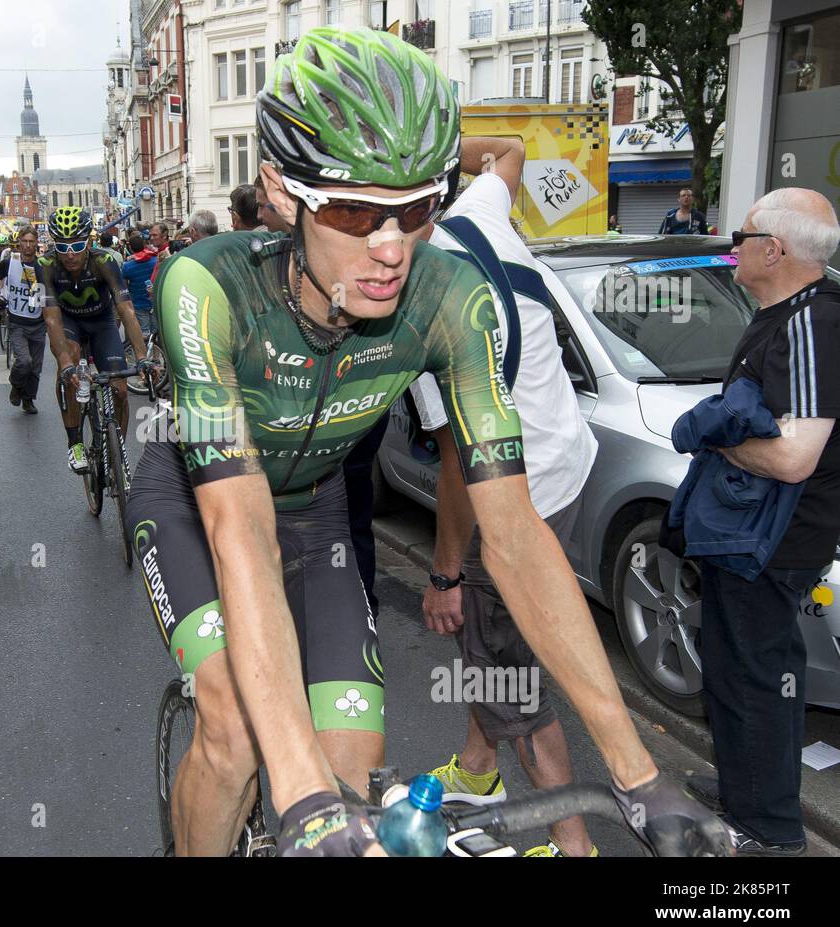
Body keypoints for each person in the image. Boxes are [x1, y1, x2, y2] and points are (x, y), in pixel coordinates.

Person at [125, 26, 729, 858]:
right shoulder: (208, 286)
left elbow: (514, 531)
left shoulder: (453, 296)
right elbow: (241, 529)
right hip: (201, 505)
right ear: (279, 191)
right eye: (352, 210)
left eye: (417, 209)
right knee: (233, 727)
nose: (390, 246)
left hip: (320, 513)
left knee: (354, 766)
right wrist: (300, 799)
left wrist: (639, 775)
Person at [404, 136, 601, 857]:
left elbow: (462, 461)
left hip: (512, 498)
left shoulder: (418, 312)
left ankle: (572, 843)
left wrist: (446, 572)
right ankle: (478, 769)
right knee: (496, 651)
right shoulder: (476, 209)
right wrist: (442, 146)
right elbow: (512, 151)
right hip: (569, 461)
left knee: (510, 673)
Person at [682, 188, 840, 855]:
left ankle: (769, 831)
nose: (732, 247)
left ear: (773, 250)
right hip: (748, 536)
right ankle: (740, 795)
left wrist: (712, 438)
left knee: (762, 682)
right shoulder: (784, 314)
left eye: (741, 236)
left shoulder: (813, 322)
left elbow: (797, 456)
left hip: (774, 542)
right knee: (732, 670)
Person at [40, 206, 149, 473]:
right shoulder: (45, 265)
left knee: (120, 389)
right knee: (69, 367)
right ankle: (75, 442)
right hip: (68, 323)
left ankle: (117, 449)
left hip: (102, 323)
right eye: (62, 247)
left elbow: (126, 308)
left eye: (77, 245)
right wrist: (65, 364)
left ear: (89, 241)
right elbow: (51, 318)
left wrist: (143, 357)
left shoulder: (104, 262)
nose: (70, 254)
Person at [0, 226, 46, 414]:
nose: (28, 245)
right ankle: (15, 385)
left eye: (32, 241)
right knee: (24, 361)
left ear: (36, 243)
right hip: (17, 322)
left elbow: (48, 294)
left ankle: (28, 399)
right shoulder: (9, 262)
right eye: (25, 241)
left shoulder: (42, 266)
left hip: (38, 323)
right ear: (19, 243)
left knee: (35, 368)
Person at [120, 232, 158, 340]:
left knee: (144, 333)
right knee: (155, 333)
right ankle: (156, 354)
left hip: (138, 302)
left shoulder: (127, 266)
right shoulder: (155, 261)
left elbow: (124, 286)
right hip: (154, 300)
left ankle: (145, 355)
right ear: (144, 245)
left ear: (130, 248)